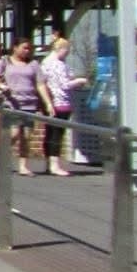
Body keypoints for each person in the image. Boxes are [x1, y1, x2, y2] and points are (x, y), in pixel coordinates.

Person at [0, 38, 44, 177]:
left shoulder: (33, 64)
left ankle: (23, 166)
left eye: (28, 49)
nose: (27, 51)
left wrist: (48, 103)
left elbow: (40, 84)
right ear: (15, 47)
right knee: (13, 134)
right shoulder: (4, 62)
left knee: (26, 136)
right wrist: (2, 86)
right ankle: (3, 160)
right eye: (24, 48)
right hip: (12, 103)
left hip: (29, 103)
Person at [38, 35, 86, 177]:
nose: (68, 52)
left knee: (50, 133)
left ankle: (49, 163)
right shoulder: (57, 64)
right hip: (60, 102)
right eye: (67, 49)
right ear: (61, 48)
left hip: (51, 102)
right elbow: (64, 84)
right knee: (57, 134)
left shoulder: (46, 62)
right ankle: (54, 165)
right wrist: (79, 81)